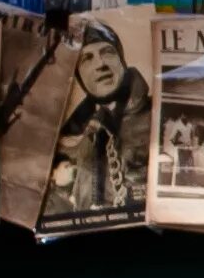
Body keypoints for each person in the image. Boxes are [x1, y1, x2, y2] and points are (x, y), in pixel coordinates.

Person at [46, 22, 150, 220]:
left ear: (122, 62)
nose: (100, 64)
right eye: (87, 58)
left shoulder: (156, 120)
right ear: (79, 77)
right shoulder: (69, 138)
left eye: (107, 52)